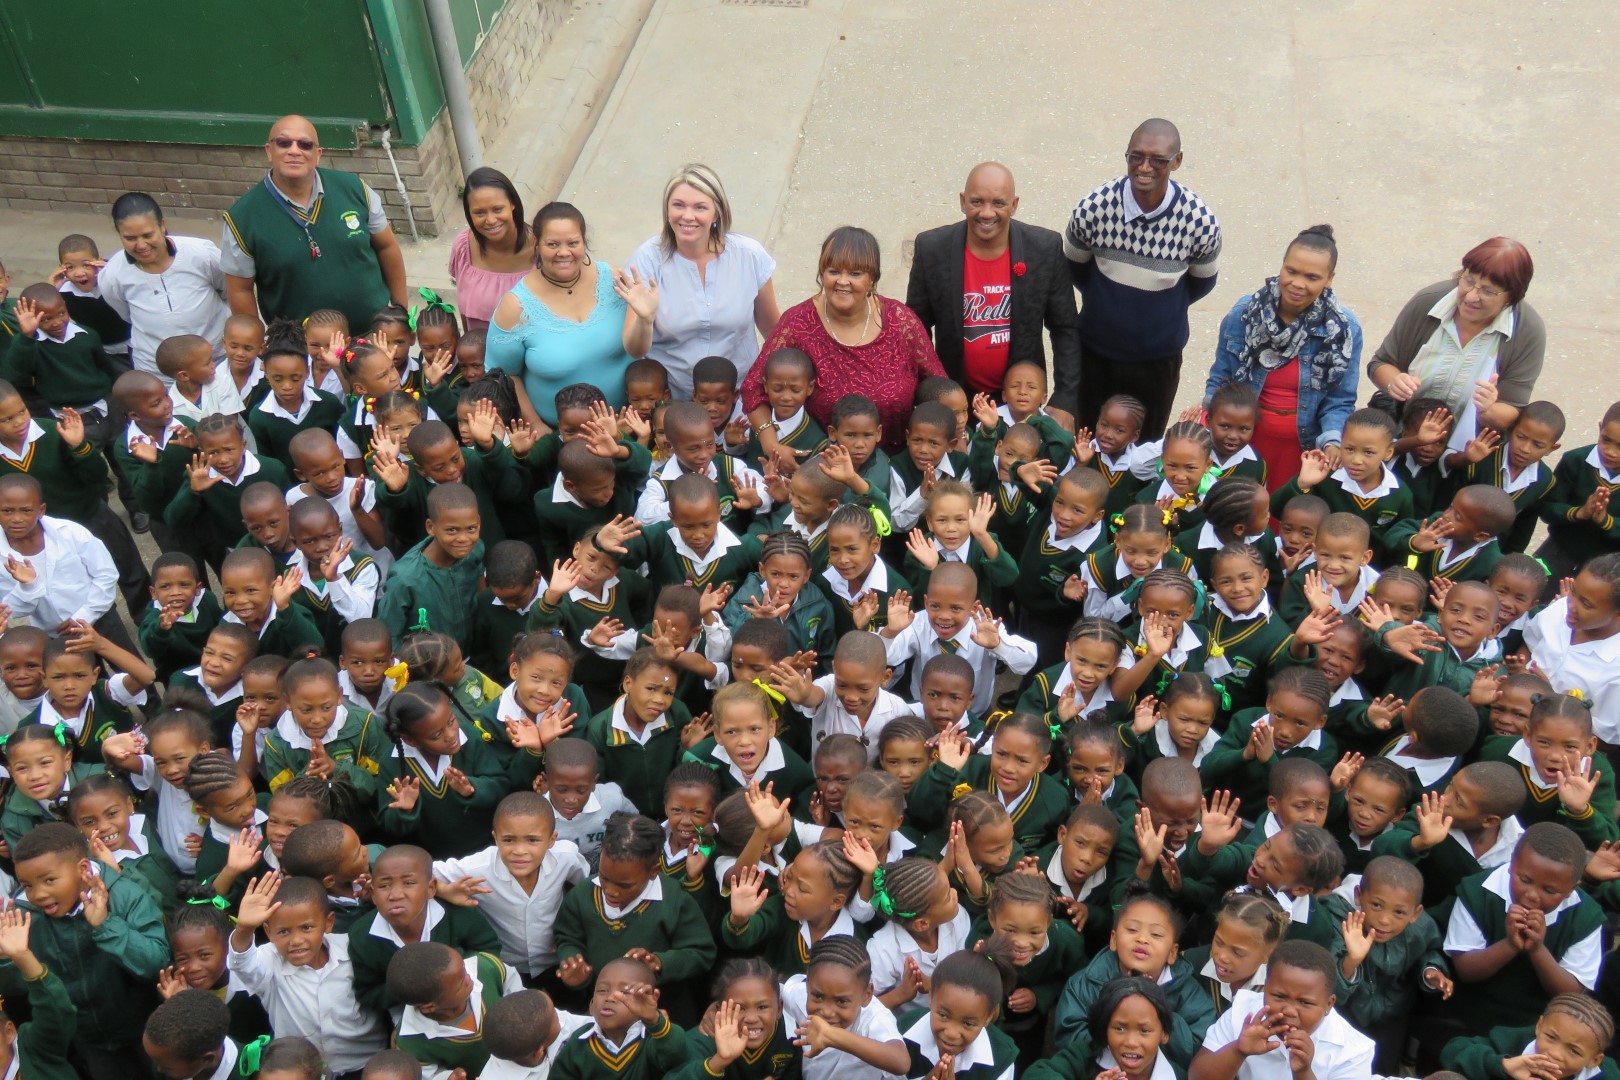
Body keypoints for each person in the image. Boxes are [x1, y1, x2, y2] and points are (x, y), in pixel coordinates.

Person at [1062, 118, 1223, 439]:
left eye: (1158, 159)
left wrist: (1157, 308)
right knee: (1086, 440)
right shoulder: (1094, 208)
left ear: (1176, 161)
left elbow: (1201, 282)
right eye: (1136, 156)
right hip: (1095, 353)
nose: (1144, 167)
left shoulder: (1200, 221)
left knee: (1145, 448)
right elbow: (1074, 265)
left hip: (1157, 361)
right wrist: (1110, 304)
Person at [904, 162, 1080, 427]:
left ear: (1014, 204)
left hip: (1021, 406)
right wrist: (932, 393)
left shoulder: (1044, 249)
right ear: (962, 201)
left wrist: (1065, 399)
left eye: (998, 203)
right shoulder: (932, 249)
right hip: (955, 405)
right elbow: (914, 331)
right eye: (977, 202)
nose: (987, 213)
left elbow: (1065, 327)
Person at [742, 226, 946, 454]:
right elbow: (753, 388)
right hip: (820, 466)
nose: (842, 281)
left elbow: (939, 387)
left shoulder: (901, 322)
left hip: (899, 464)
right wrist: (771, 445)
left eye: (855, 274)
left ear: (873, 279)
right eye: (833, 271)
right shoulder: (798, 324)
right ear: (821, 273)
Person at [1205, 225, 1363, 490]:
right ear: (1282, 266)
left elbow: (1340, 400)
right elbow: (1221, 379)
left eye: (1312, 277)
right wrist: (1207, 425)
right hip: (1242, 442)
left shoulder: (1345, 331)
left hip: (1303, 450)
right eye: (1291, 271)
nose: (1298, 284)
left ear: (1330, 278)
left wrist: (1333, 441)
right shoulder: (1244, 315)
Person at [220, 115, 408, 331]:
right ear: (269, 151)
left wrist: (400, 312)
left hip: (373, 336)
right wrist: (258, 346)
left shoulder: (355, 190)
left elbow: (387, 246)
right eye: (283, 143)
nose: (294, 150)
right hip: (303, 351)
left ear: (317, 155)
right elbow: (240, 290)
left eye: (305, 144)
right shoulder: (242, 218)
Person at [486, 202, 658, 426]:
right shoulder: (515, 307)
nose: (564, 252)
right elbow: (504, 375)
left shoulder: (613, 280)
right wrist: (536, 426)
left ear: (584, 242)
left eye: (573, 243)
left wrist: (645, 320)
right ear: (536, 245)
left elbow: (636, 351)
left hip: (627, 426)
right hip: (560, 436)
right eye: (553, 244)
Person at [1366, 237, 1544, 449]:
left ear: (1512, 297)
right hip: (1403, 439)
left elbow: (1513, 411)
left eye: (1488, 291)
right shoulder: (1427, 302)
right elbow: (1381, 363)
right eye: (1468, 280)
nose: (1471, 297)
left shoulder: (1528, 331)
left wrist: (1488, 410)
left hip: (1468, 453)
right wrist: (1394, 382)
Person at [625, 164, 781, 399]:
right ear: (667, 210)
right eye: (678, 205)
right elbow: (635, 350)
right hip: (676, 399)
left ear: (716, 213)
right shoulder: (647, 259)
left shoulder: (749, 255)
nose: (687, 216)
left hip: (739, 396)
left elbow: (773, 330)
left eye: (700, 207)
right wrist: (645, 321)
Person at [99, 192, 231, 378]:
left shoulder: (201, 254)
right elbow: (125, 313)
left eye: (148, 235)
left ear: (162, 226)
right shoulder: (113, 274)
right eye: (130, 238)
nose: (141, 245)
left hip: (216, 362)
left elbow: (228, 291)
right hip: (158, 372)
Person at [449, 167, 540, 330]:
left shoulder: (543, 250)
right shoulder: (464, 247)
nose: (490, 220)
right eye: (479, 213)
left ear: (513, 204)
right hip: (479, 353)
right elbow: (464, 312)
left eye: (498, 209)